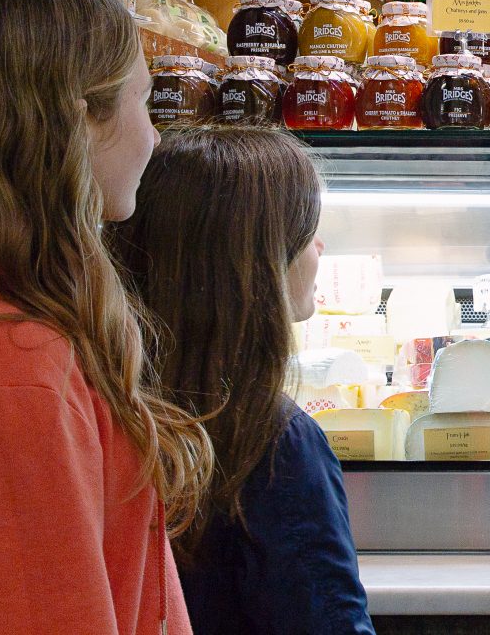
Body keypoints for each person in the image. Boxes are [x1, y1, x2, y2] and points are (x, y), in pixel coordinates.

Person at [0, 0, 211, 633]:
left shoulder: (34, 339)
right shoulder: (14, 373)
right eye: (144, 100)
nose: (156, 138)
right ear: (80, 121)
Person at [107, 128, 376, 635]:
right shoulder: (273, 441)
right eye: (306, 232)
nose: (319, 248)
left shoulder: (112, 404)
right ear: (256, 266)